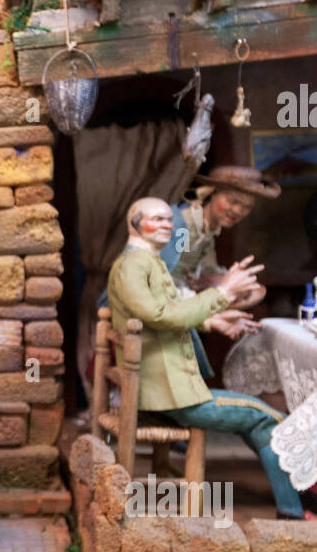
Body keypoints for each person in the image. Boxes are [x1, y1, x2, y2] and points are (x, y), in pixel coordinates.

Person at [107, 197, 306, 520]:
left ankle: (294, 501)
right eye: (156, 219)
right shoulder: (133, 265)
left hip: (168, 391)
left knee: (257, 422)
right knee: (265, 416)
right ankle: (295, 510)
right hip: (169, 396)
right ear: (135, 223)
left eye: (168, 219)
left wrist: (211, 320)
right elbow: (157, 314)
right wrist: (223, 293)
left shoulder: (148, 262)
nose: (167, 224)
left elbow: (165, 312)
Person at [160, 165, 281, 319]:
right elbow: (162, 279)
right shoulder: (183, 227)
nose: (238, 211)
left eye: (247, 207)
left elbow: (203, 265)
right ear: (213, 193)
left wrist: (229, 278)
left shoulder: (209, 228)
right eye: (233, 201)